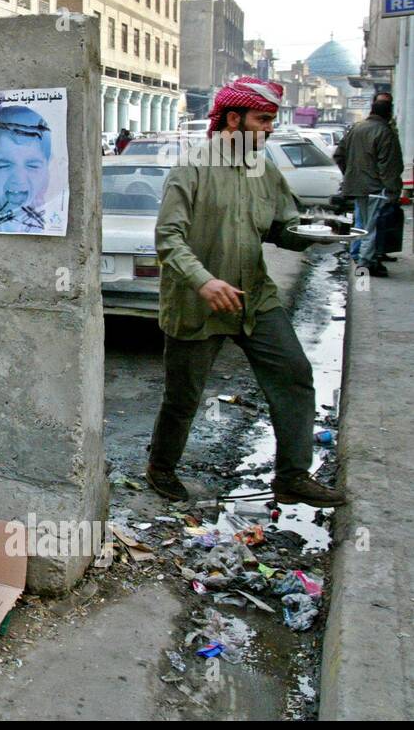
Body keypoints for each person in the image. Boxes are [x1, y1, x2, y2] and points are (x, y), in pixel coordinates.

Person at [147, 76, 344, 508]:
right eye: (264, 119)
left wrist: (317, 233)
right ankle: (161, 468)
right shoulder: (192, 167)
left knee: (294, 376)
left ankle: (292, 476)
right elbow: (168, 238)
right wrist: (204, 281)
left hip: (255, 298)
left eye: (272, 120)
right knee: (183, 398)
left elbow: (282, 227)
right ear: (233, 120)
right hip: (198, 303)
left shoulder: (264, 168)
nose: (270, 128)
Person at [333, 92, 403, 277]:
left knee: (361, 223)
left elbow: (339, 155)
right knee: (370, 227)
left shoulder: (356, 127)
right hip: (374, 189)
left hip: (357, 186)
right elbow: (388, 166)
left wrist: (351, 174)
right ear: (388, 114)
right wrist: (393, 191)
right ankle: (364, 266)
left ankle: (359, 256)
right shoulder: (384, 132)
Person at [0, 105, 52, 233]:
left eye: (32, 166)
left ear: (46, 171)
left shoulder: (47, 207)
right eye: (3, 165)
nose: (18, 178)